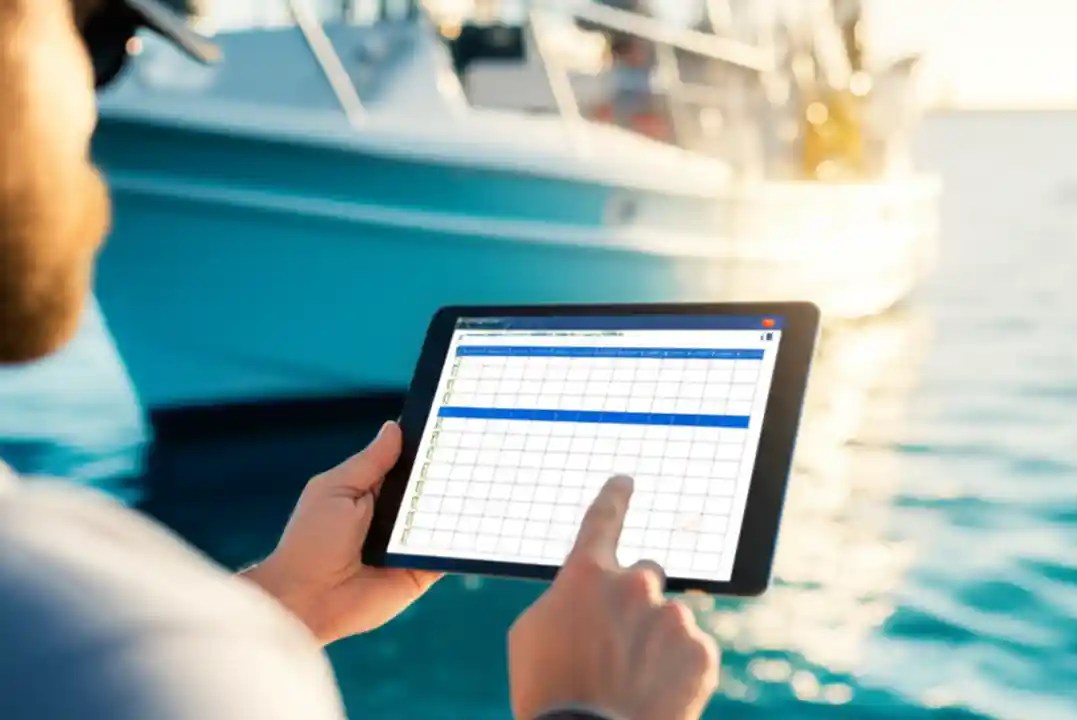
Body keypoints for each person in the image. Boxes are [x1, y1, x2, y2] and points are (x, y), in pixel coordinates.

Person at [0, 1, 720, 718]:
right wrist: (591, 712)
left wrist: (291, 599)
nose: (93, 108)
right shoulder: (122, 662)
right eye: (101, 42)